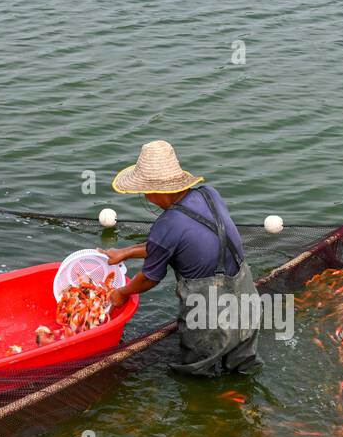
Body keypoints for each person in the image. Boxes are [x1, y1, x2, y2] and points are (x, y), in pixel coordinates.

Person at [104, 140, 261, 376]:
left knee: (197, 375)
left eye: (145, 191)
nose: (146, 196)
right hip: (246, 297)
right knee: (244, 369)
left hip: (207, 314)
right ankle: (249, 406)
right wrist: (125, 253)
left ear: (155, 191)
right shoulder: (209, 194)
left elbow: (149, 279)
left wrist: (121, 293)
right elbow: (178, 242)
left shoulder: (166, 225)